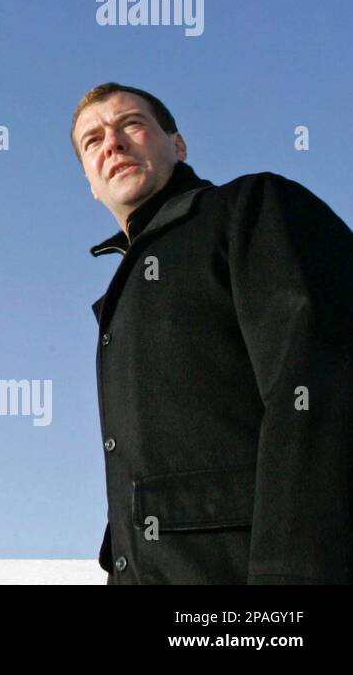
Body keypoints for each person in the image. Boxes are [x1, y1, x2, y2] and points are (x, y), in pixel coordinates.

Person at [71, 82, 351, 583]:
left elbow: (320, 388)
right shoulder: (121, 296)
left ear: (177, 145)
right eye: (92, 141)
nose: (111, 143)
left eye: (131, 123)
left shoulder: (251, 208)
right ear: (90, 182)